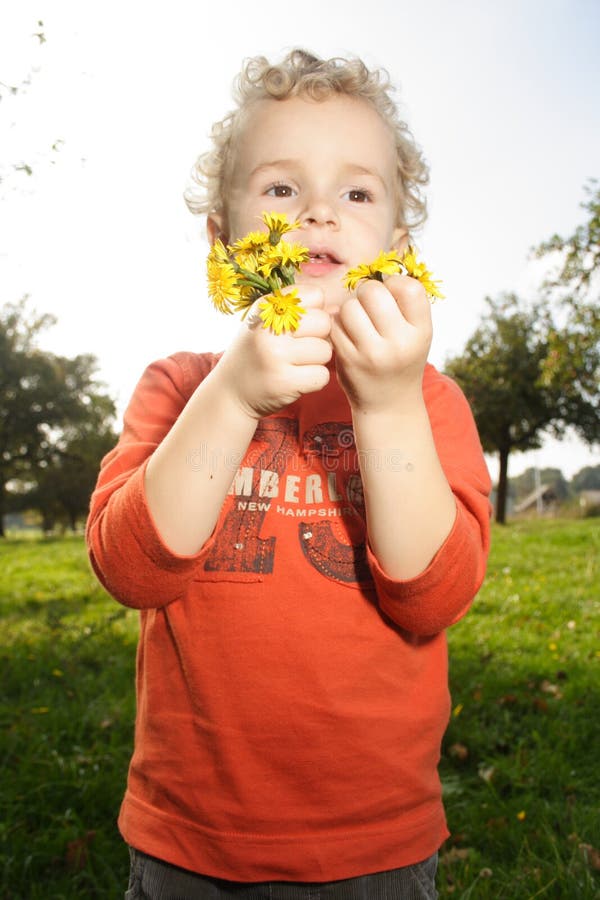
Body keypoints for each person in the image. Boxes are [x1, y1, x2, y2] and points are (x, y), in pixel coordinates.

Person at [86, 49, 492, 900]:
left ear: (397, 246)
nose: (318, 212)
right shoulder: (179, 389)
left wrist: (384, 407)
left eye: (356, 192)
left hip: (374, 844)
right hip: (190, 841)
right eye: (280, 189)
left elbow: (434, 596)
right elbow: (131, 569)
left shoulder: (430, 402)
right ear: (221, 236)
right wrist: (233, 393)